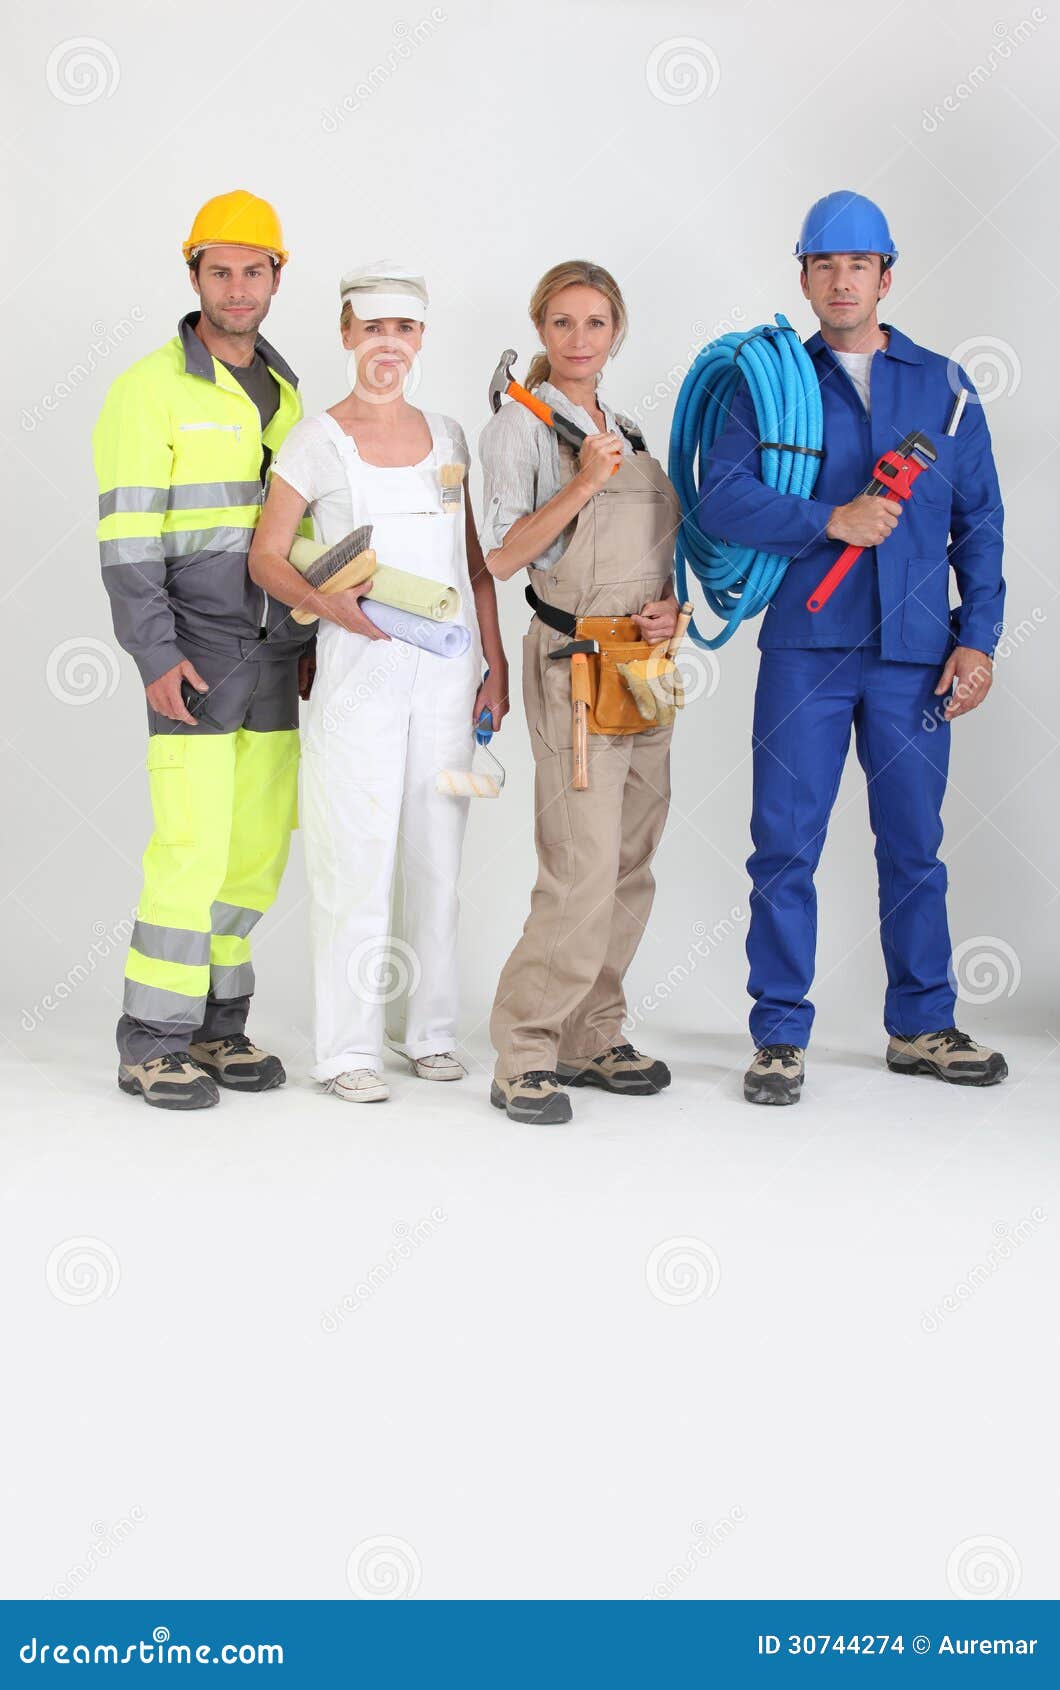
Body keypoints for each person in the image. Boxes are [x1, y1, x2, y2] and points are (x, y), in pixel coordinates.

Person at [698, 192, 1008, 1105]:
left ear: (886, 275)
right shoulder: (767, 387)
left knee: (913, 844)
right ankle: (780, 1035)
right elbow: (719, 497)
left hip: (915, 651)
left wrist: (977, 640)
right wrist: (826, 517)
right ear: (801, 276)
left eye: (858, 265)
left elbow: (979, 524)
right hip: (806, 647)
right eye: (823, 265)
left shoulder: (945, 388)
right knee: (783, 846)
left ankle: (920, 1023)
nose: (841, 281)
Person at [249, 261, 508, 1102]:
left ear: (421, 338)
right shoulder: (315, 440)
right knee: (353, 857)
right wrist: (325, 603)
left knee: (437, 857)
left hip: (444, 678)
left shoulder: (450, 436)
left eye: (402, 329)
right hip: (358, 675)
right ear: (346, 336)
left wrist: (493, 663)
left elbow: (473, 566)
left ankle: (427, 1032)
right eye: (371, 329)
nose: (387, 344)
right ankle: (347, 1050)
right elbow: (264, 555)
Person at [94, 190, 310, 1111]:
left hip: (274, 656)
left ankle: (221, 1026)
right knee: (188, 845)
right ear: (194, 277)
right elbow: (128, 546)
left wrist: (303, 638)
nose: (235, 286)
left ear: (275, 278)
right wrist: (152, 655)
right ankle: (151, 1039)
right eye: (218, 270)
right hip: (193, 653)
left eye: (251, 270)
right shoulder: (149, 389)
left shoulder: (289, 393)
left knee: (256, 848)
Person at [481, 261, 682, 1125]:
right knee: (580, 866)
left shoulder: (627, 432)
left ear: (616, 332)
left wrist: (674, 610)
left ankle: (591, 1033)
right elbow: (498, 556)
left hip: (643, 667)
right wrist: (581, 482)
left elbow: (652, 555)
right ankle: (525, 1049)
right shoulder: (521, 430)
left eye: (594, 323)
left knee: (631, 863)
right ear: (540, 330)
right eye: (561, 323)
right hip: (573, 665)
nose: (577, 339)